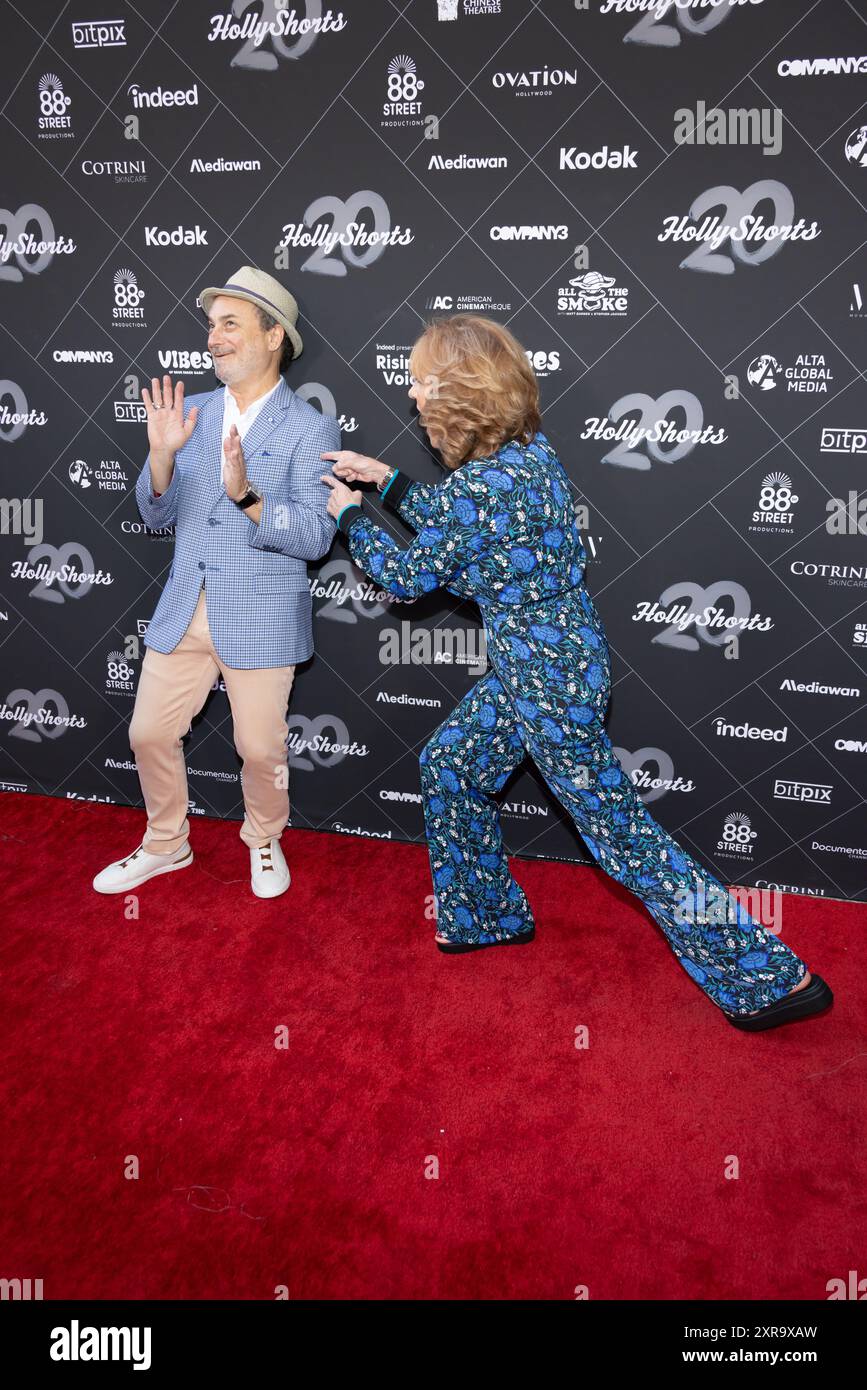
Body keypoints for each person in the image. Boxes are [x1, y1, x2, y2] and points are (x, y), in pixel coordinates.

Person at [321, 314, 832, 1031]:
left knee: (621, 836)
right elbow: (467, 526)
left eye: (418, 379)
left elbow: (410, 574)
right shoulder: (525, 455)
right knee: (451, 765)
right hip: (550, 663)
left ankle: (768, 978)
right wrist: (391, 482)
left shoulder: (483, 483)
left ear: (456, 390)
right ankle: (482, 915)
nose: (410, 393)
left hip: (544, 683)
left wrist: (351, 515)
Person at [93, 266, 339, 899]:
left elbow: (315, 538)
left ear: (274, 335)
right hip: (184, 607)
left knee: (260, 752)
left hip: (261, 613)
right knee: (147, 733)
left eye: (230, 324)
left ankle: (264, 839)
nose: (214, 338)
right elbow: (154, 514)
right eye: (211, 325)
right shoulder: (191, 413)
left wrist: (248, 497)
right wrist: (161, 456)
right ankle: (165, 844)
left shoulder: (309, 427)